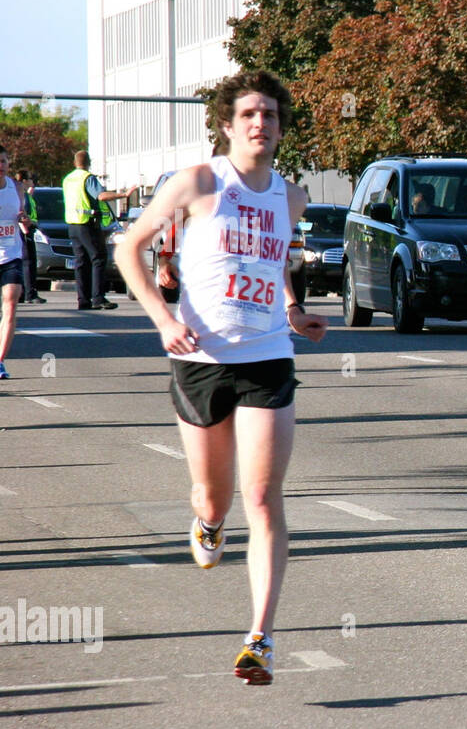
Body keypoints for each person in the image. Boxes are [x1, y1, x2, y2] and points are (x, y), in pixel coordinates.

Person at [115, 70, 328, 685]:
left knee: (263, 498)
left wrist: (291, 311)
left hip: (267, 355)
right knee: (216, 497)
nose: (261, 123)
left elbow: (277, 257)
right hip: (199, 359)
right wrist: (161, 319)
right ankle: (208, 524)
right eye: (250, 115)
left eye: (271, 115)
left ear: (281, 127)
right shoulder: (199, 183)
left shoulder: (290, 197)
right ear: (229, 126)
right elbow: (130, 248)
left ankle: (259, 638)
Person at [62, 151, 136, 310]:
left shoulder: (68, 179)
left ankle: (83, 300)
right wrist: (123, 195)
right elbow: (101, 196)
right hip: (87, 224)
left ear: (75, 162)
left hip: (72, 225)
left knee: (81, 262)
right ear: (88, 162)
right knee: (99, 258)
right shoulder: (88, 178)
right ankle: (98, 298)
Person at [0, 147, 33, 379]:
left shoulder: (17, 187)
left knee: (11, 302)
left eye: (3, 161)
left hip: (11, 254)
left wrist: (24, 220)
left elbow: (21, 215)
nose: (0, 165)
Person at [16, 170, 45, 304]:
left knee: (25, 263)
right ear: (24, 180)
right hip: (25, 230)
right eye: (30, 179)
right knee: (28, 263)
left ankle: (22, 293)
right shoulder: (22, 195)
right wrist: (27, 228)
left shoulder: (26, 195)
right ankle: (30, 293)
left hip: (27, 230)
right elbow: (21, 213)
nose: (32, 182)